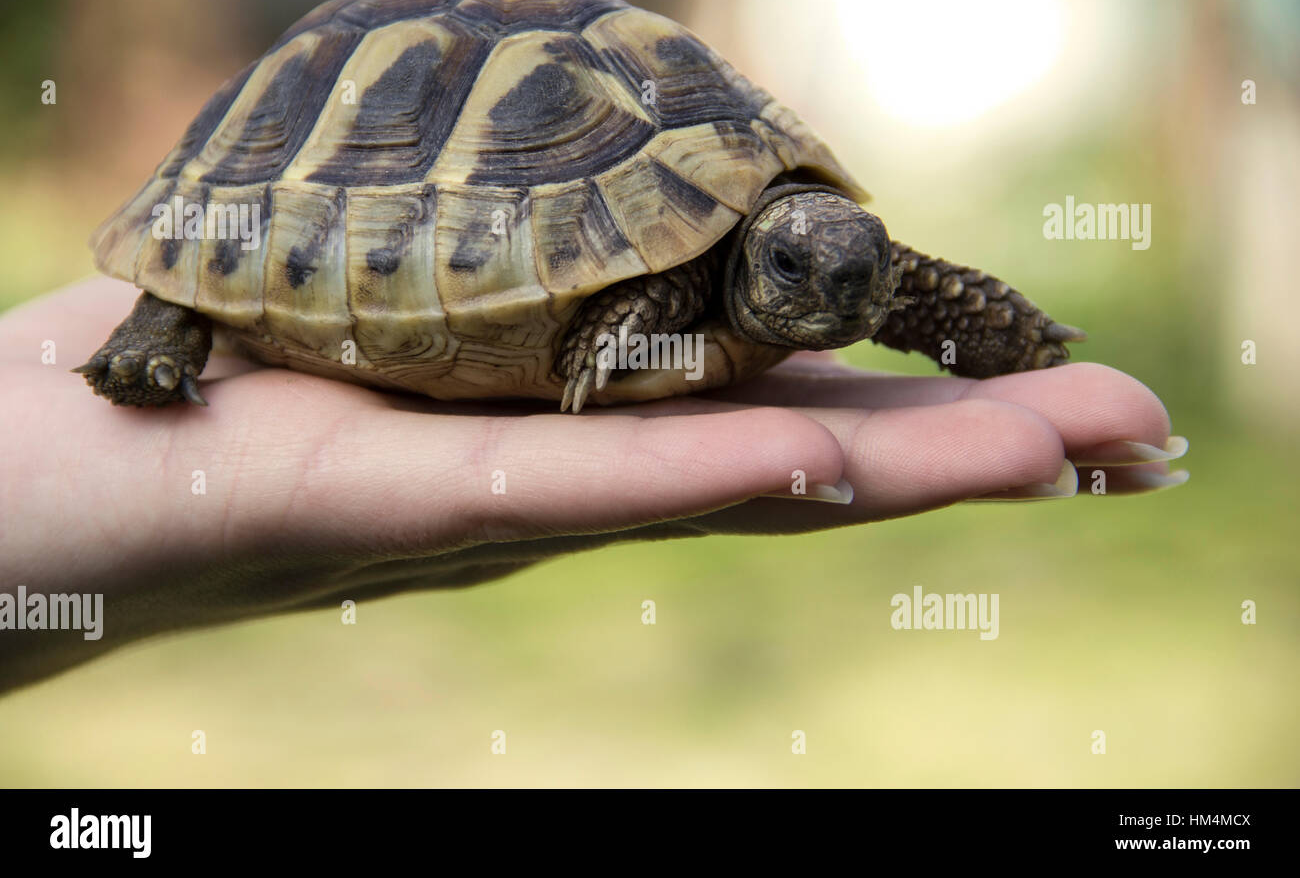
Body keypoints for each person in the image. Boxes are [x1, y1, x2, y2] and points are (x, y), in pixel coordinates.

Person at [0, 277, 1187, 692]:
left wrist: (997, 335)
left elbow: (860, 269)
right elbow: (655, 277)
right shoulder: (687, 280)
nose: (831, 297)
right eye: (787, 270)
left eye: (853, 275)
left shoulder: (816, 248)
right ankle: (175, 311)